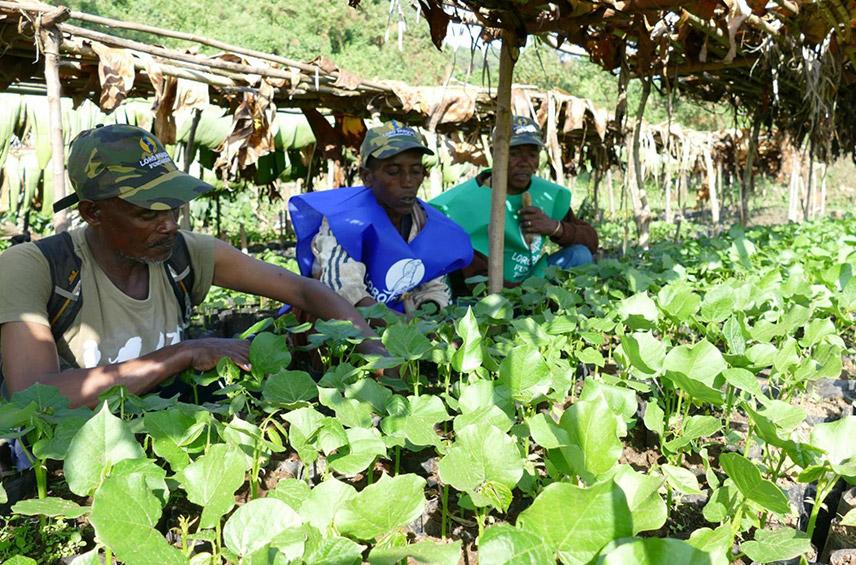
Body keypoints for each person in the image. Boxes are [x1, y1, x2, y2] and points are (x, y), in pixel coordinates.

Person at [0, 124, 387, 409]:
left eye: (173, 206)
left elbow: (306, 291)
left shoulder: (187, 255)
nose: (169, 223)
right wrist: (183, 353)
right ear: (93, 212)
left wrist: (382, 361)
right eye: (146, 213)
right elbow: (35, 397)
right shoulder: (37, 268)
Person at [288, 121, 473, 315]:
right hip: (347, 329)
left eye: (416, 171)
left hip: (404, 326)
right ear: (367, 177)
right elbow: (344, 290)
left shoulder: (426, 225)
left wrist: (431, 313)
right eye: (393, 172)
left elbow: (435, 287)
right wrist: (404, 328)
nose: (407, 181)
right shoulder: (346, 223)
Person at [431, 116, 598, 288]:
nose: (524, 163)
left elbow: (591, 241)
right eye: (514, 153)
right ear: (495, 153)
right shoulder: (461, 202)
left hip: (533, 284)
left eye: (532, 155)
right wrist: (513, 296)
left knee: (580, 254)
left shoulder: (546, 195)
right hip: (485, 289)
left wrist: (555, 228)